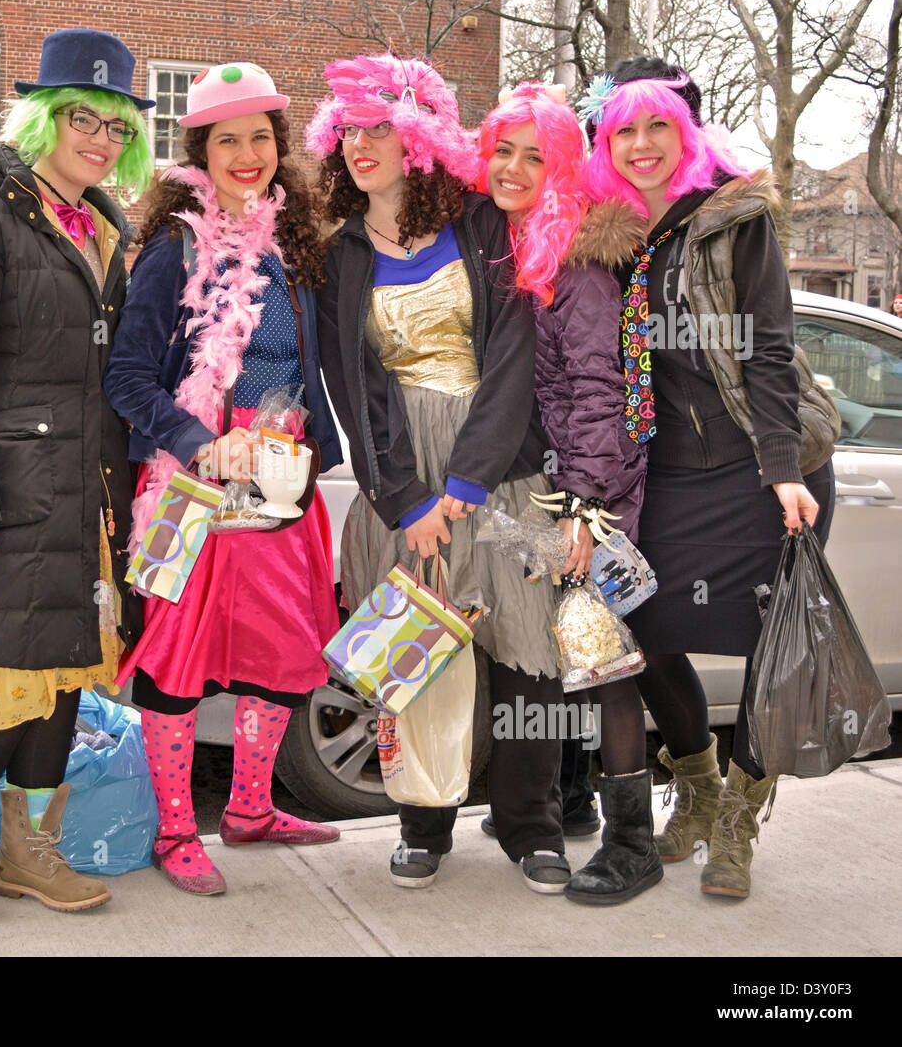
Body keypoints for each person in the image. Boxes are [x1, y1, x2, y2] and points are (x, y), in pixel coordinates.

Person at [309, 55, 571, 893]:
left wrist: (466, 484)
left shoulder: (481, 226)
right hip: (405, 480)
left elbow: (513, 359)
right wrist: (406, 500)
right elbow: (353, 389)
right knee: (415, 651)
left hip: (503, 470)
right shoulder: (339, 253)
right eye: (349, 130)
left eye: (381, 127)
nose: (362, 145)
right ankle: (424, 825)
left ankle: (533, 826)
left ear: (419, 138)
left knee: (527, 651)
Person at [581, 57, 838, 899]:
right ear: (604, 139)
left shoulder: (735, 216)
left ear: (686, 133)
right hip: (663, 474)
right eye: (626, 129)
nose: (643, 144)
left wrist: (778, 469)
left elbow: (766, 346)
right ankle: (692, 788)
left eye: (660, 126)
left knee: (772, 650)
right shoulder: (605, 234)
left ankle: (737, 819)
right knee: (643, 632)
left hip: (760, 469)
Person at [0, 29, 154, 920]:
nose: (101, 139)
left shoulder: (100, 225)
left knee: (62, 684)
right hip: (8, 496)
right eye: (83, 118)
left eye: (118, 126)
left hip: (86, 498)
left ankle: (28, 852)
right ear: (42, 115)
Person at [104, 62, 344, 897]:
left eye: (260, 137)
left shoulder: (296, 243)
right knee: (176, 655)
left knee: (281, 648)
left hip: (282, 474)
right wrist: (202, 441)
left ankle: (249, 808)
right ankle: (175, 829)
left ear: (281, 147)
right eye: (227, 139)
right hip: (196, 477)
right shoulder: (173, 249)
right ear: (200, 152)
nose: (247, 154)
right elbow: (126, 379)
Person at [473, 83, 660, 904]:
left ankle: (633, 843)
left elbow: (598, 386)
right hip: (550, 489)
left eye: (535, 155)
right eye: (502, 151)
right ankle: (573, 810)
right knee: (563, 658)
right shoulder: (513, 241)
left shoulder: (579, 257)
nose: (514, 168)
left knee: (602, 662)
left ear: (561, 167)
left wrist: (586, 503)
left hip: (589, 492)